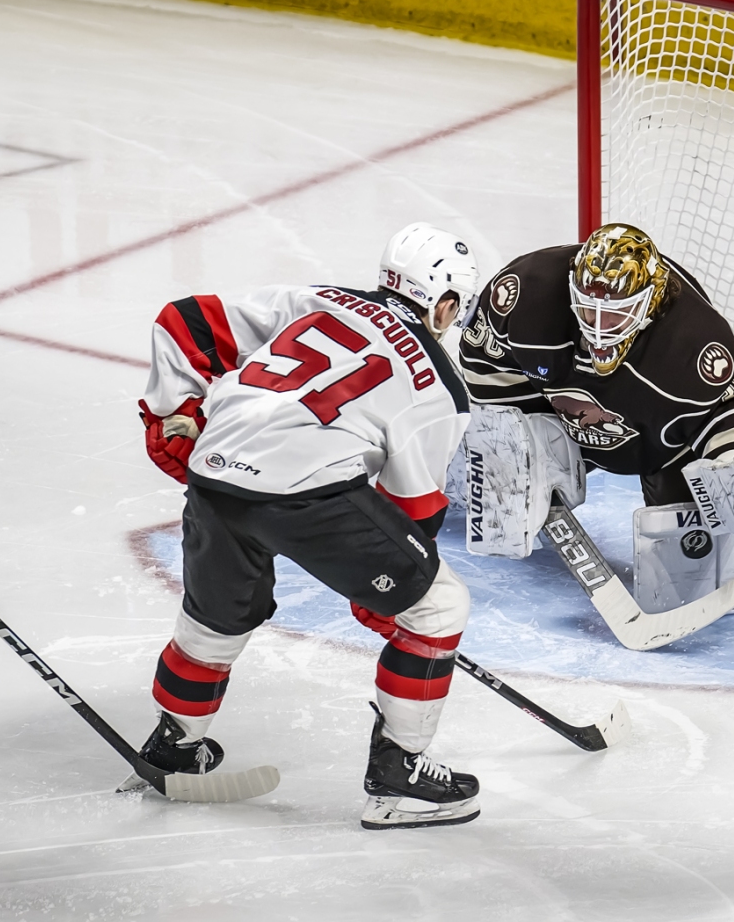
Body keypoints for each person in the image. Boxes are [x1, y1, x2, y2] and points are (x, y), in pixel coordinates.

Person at [136, 221, 482, 829]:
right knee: (438, 608)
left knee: (217, 616)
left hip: (214, 472)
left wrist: (175, 413)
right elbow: (415, 506)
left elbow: (182, 319)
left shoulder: (317, 300)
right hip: (306, 494)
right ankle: (398, 778)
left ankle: (174, 743)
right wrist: (392, 594)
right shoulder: (440, 389)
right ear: (446, 303)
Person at [458, 222, 734, 506]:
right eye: (589, 309)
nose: (599, 330)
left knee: (689, 535)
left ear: (651, 302)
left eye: (617, 313)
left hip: (660, 446)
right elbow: (483, 361)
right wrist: (513, 446)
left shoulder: (693, 344)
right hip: (561, 420)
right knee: (501, 467)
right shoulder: (526, 294)